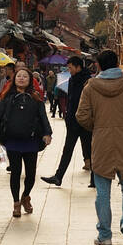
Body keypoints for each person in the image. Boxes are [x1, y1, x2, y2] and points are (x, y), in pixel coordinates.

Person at [76, 49, 123, 245]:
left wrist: (97, 126)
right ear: (118, 63)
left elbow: (81, 116)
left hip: (101, 140)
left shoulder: (90, 88)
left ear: (98, 66)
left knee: (102, 191)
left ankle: (105, 234)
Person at [0, 64, 53, 217]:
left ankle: (26, 195)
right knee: (15, 172)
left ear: (30, 80)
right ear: (14, 79)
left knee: (31, 174)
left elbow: (43, 117)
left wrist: (47, 133)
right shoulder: (7, 97)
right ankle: (16, 203)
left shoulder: (36, 98)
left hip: (31, 141)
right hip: (12, 140)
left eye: (25, 76)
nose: (21, 79)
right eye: (19, 76)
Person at [42, 55, 93, 188]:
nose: (69, 70)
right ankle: (58, 177)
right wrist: (68, 117)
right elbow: (71, 101)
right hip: (73, 122)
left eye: (70, 68)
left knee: (91, 150)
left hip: (86, 121)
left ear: (78, 67)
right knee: (67, 150)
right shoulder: (72, 80)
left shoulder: (89, 81)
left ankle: (95, 180)